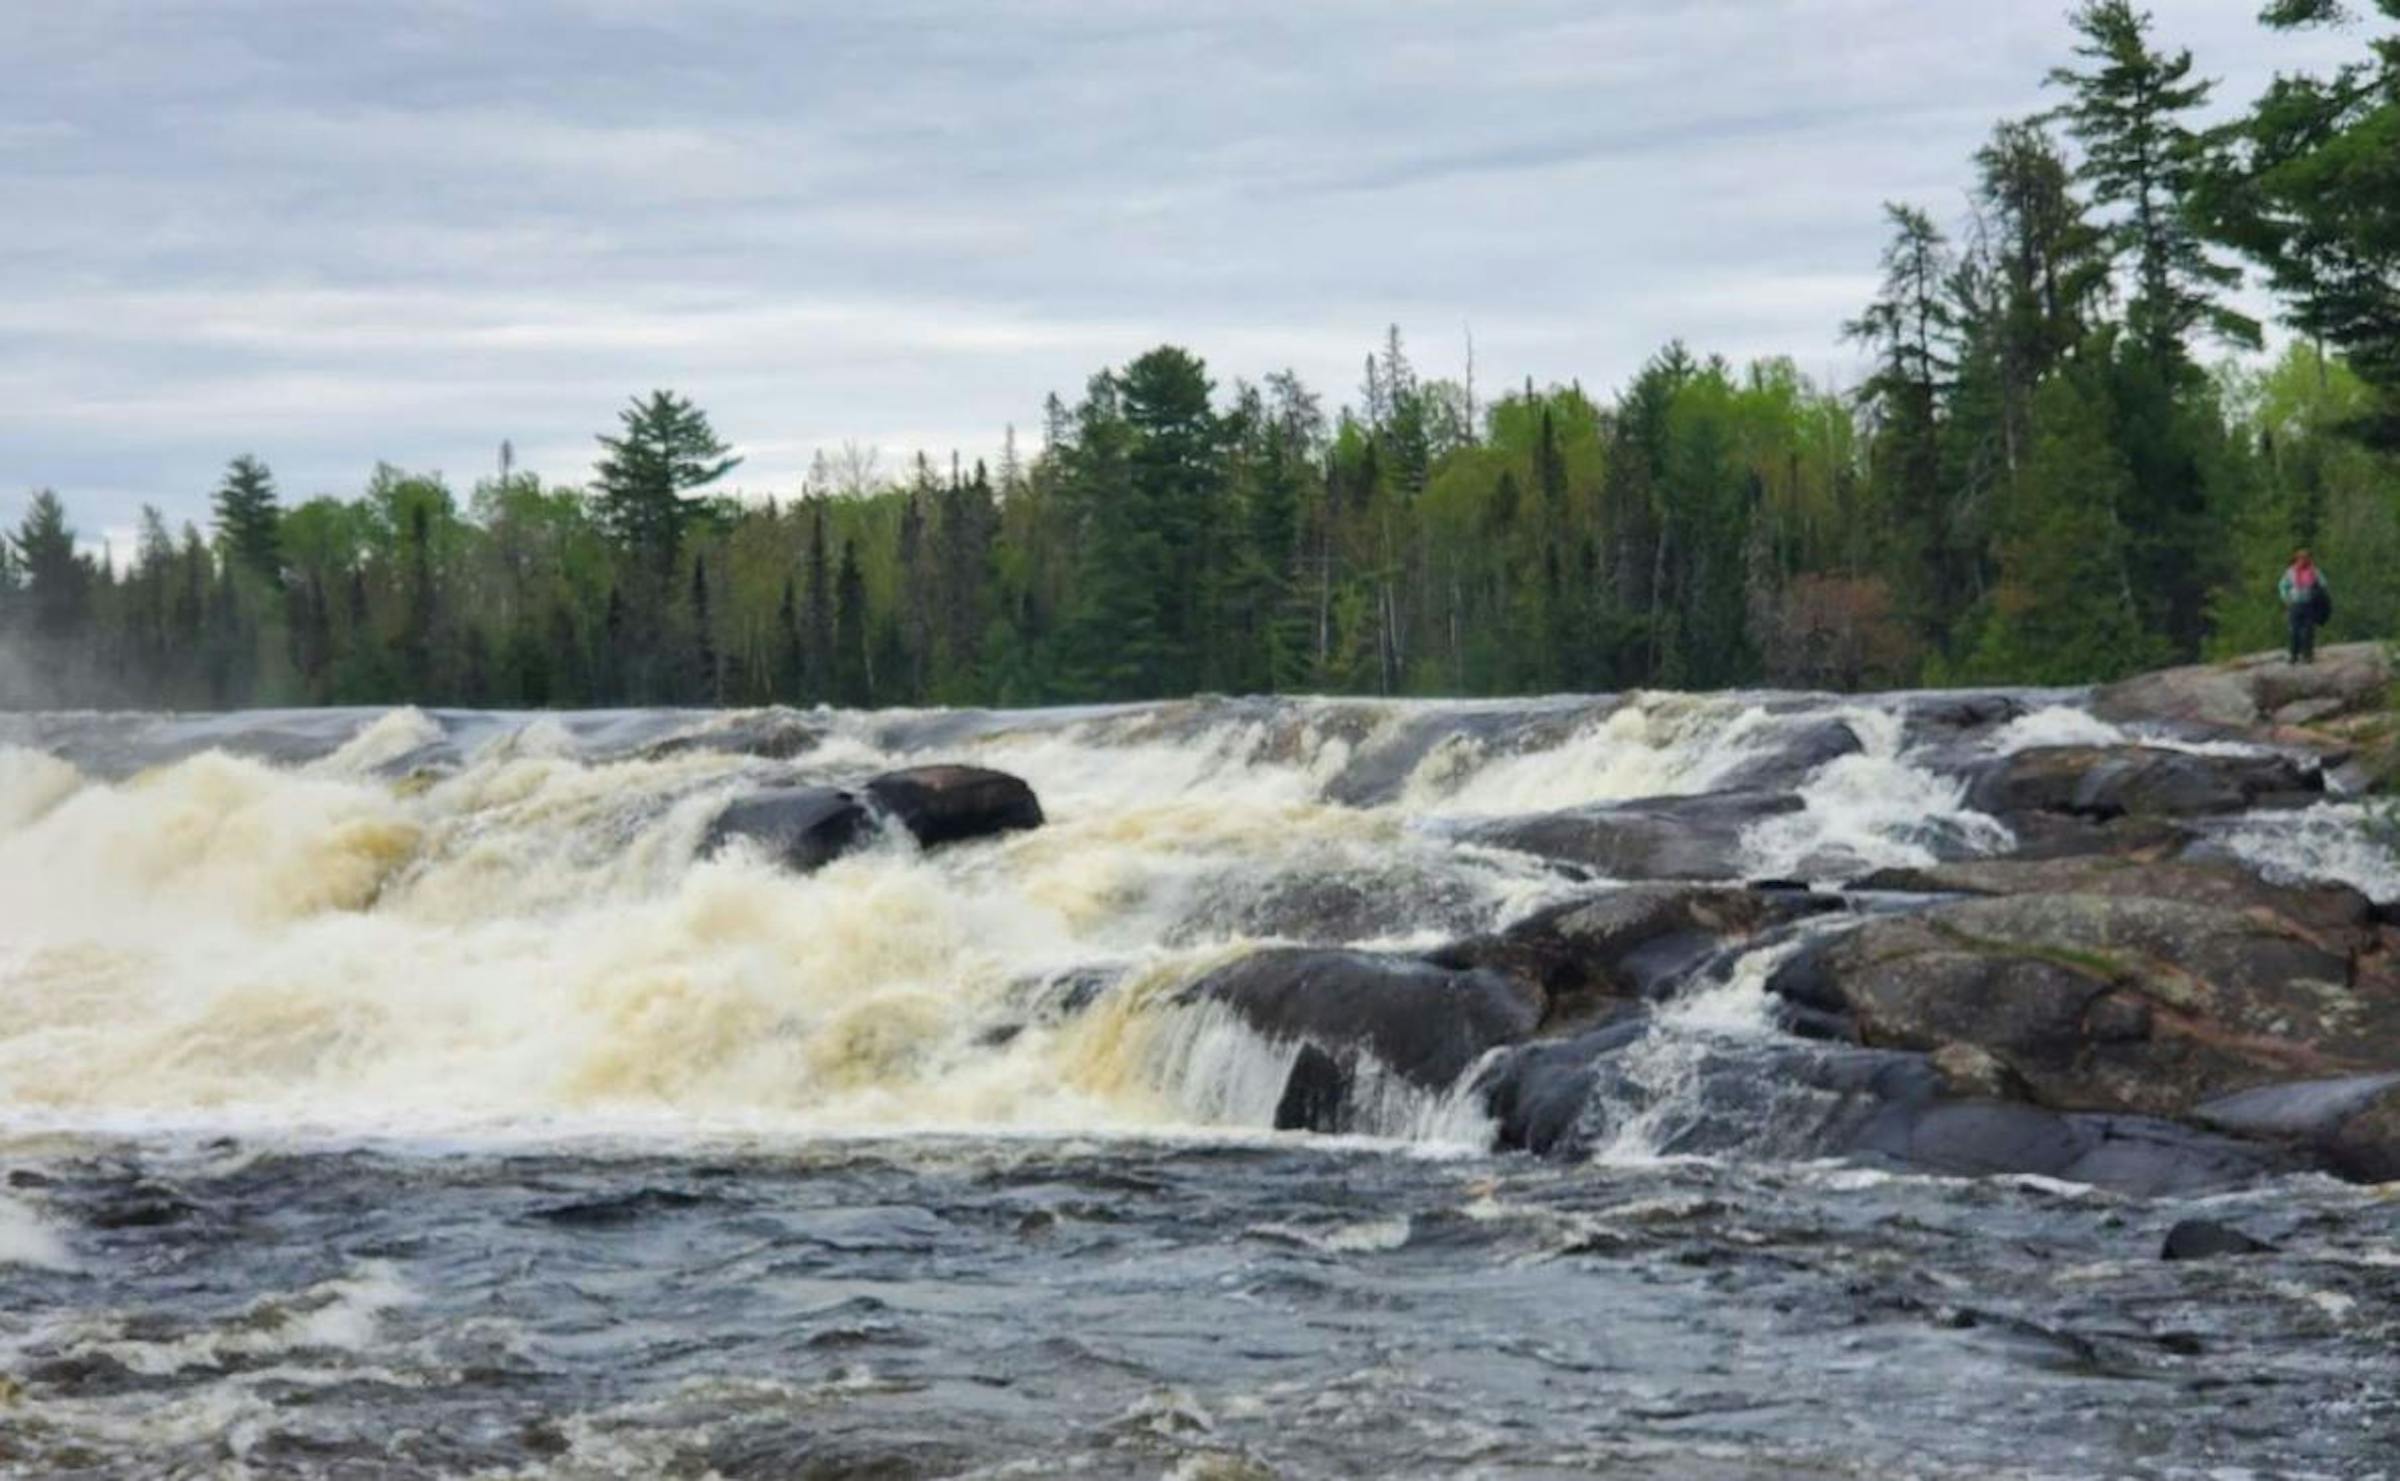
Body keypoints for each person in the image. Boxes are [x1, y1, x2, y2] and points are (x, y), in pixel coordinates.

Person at [2278, 548, 2331, 664]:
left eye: (2306, 558)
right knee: (2294, 631)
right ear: (2296, 559)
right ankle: (2294, 655)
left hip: (2309, 604)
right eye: (2301, 558)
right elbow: (2282, 585)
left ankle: (2308, 655)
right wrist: (2286, 598)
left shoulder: (2314, 571)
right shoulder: (2290, 572)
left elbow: (2323, 583)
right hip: (2295, 604)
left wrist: (2318, 594)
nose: (2303, 561)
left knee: (2308, 631)